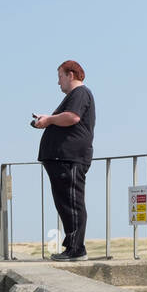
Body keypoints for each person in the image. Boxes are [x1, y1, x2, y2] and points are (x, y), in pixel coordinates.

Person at [33, 60, 95, 259]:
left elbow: (73, 117)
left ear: (70, 75)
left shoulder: (80, 93)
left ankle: (76, 249)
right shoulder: (74, 96)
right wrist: (47, 118)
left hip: (70, 159)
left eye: (60, 76)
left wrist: (49, 120)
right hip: (62, 158)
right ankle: (72, 247)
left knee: (72, 202)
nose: (58, 82)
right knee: (65, 203)